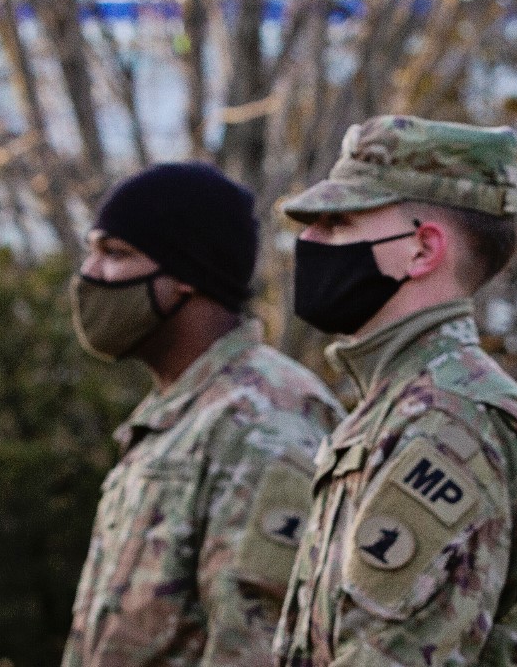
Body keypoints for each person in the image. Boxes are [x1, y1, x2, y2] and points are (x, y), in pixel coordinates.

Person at [274, 115, 517, 667]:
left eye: (339, 221)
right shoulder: (397, 406)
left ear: (422, 249)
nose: (308, 240)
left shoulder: (446, 419)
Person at [64, 162, 342, 667]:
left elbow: (256, 649)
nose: (90, 273)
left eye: (115, 253)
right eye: (91, 251)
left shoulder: (262, 421)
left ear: (186, 276)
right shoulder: (174, 416)